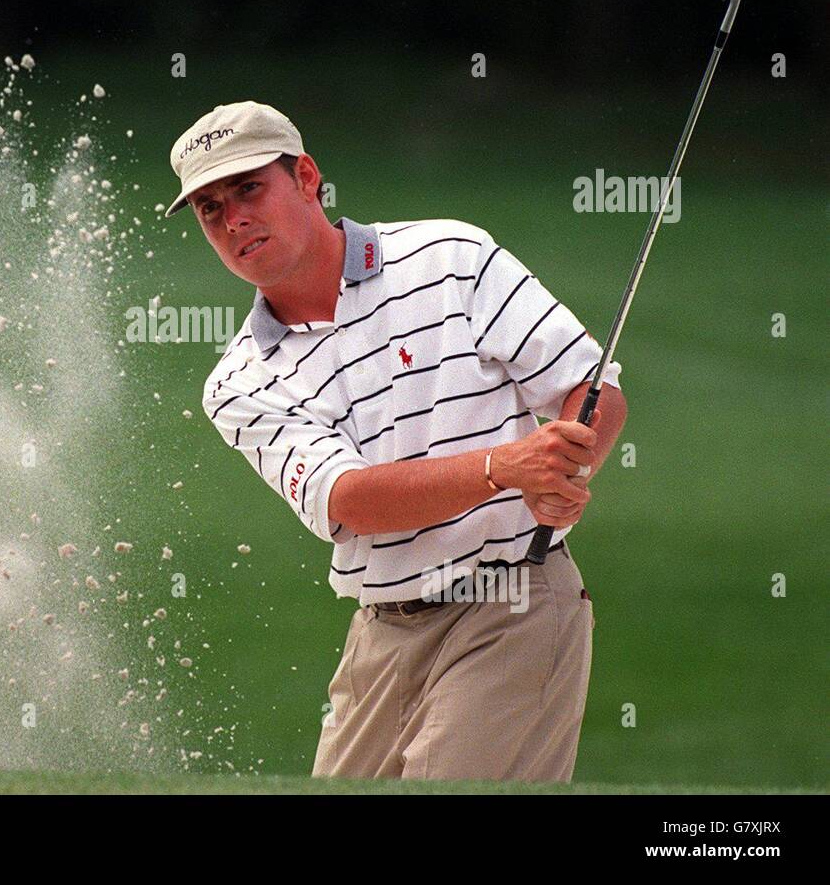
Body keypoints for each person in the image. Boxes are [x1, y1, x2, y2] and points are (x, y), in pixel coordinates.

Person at [167, 100, 628, 781]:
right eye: (209, 207)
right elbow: (350, 502)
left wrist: (567, 464)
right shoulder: (236, 382)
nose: (233, 218)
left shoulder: (452, 258)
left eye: (248, 188)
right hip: (380, 634)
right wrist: (507, 467)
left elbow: (592, 391)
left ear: (306, 177)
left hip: (513, 604)